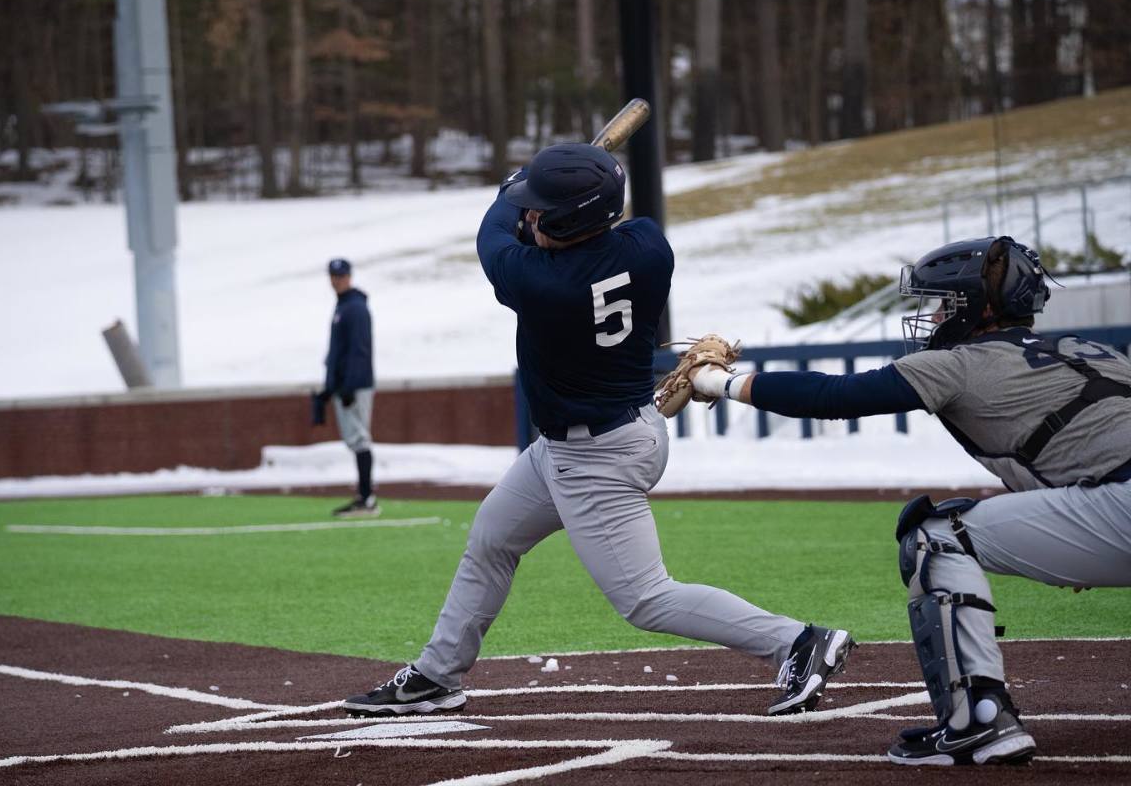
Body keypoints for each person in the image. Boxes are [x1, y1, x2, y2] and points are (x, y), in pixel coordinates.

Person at [341, 143, 855, 717]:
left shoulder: (540, 284)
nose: (530, 217)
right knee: (492, 539)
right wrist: (554, 188)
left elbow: (493, 231)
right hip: (597, 437)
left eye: (541, 211)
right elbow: (587, 225)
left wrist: (512, 190)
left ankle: (798, 641)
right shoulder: (650, 247)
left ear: (568, 219)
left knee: (645, 598)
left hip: (598, 457)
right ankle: (438, 674)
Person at [685, 235, 1131, 766]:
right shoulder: (1095, 351)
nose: (935, 315)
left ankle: (977, 720)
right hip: (1113, 499)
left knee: (934, 535)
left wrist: (722, 381)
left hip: (1119, 507)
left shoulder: (958, 364)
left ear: (978, 307)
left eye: (945, 302)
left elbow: (834, 398)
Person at [314, 258, 378, 518]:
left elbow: (358, 351)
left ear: (349, 276)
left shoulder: (355, 308)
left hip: (356, 384)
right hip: (346, 384)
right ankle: (363, 496)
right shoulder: (343, 306)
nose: (335, 280)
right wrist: (330, 387)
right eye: (332, 275)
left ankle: (366, 498)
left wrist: (349, 385)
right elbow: (339, 352)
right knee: (355, 439)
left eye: (340, 276)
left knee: (359, 438)